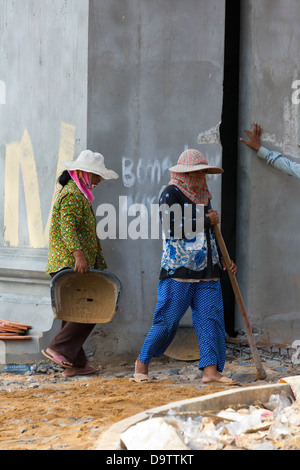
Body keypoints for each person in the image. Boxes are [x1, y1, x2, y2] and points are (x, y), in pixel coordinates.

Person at [131, 149, 238, 385]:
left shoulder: (204, 197)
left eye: (203, 173)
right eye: (197, 173)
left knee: (211, 320)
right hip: (178, 272)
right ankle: (142, 363)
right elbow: (172, 228)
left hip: (207, 273)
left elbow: (212, 235)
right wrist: (206, 220)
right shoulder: (170, 193)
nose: (202, 178)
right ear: (187, 174)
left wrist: (223, 258)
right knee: (167, 320)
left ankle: (211, 371)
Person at [42, 150, 119, 378]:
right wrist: (79, 256)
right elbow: (68, 229)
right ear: (85, 174)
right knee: (91, 307)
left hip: (69, 263)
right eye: (96, 176)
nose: (99, 181)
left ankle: (76, 363)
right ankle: (58, 348)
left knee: (72, 311)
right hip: (70, 264)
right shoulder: (73, 195)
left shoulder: (76, 193)